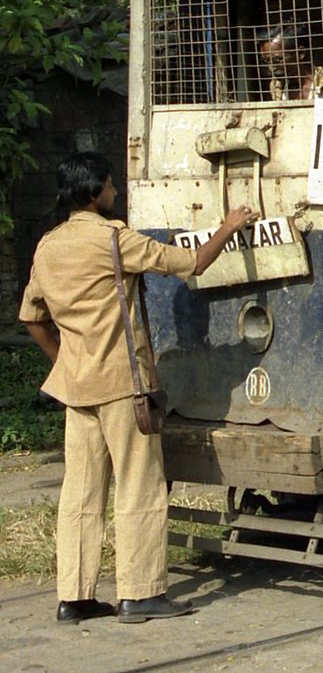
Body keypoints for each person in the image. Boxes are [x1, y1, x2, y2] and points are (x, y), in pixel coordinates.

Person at [19, 152, 254, 625]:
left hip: (77, 387)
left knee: (81, 494)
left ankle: (76, 597)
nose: (115, 192)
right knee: (139, 486)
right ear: (93, 194)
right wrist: (229, 227)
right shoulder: (113, 240)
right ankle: (141, 593)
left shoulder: (47, 246)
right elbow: (191, 263)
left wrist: (66, 362)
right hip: (123, 387)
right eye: (109, 186)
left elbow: (32, 318)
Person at [258, 24, 321, 101]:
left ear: (300, 53)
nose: (271, 68)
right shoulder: (277, 86)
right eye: (266, 61)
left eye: (277, 60)